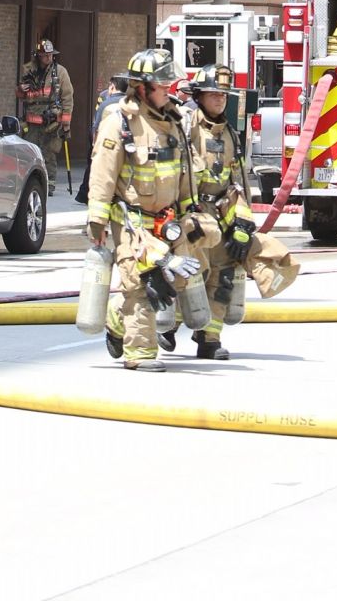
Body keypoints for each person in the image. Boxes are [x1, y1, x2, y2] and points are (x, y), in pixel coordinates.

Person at [86, 47, 203, 372]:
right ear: (141, 87)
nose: (168, 89)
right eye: (162, 85)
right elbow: (103, 173)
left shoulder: (173, 121)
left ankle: (116, 318)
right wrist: (97, 220)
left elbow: (184, 174)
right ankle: (140, 353)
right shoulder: (119, 123)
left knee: (178, 279)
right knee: (139, 284)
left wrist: (190, 215)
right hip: (131, 220)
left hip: (168, 220)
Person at [184, 63, 299, 359]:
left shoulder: (229, 135)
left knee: (224, 276)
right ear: (198, 96)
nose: (220, 99)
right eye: (213, 93)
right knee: (186, 275)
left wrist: (243, 224)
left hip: (221, 213)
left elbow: (238, 182)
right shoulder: (185, 129)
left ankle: (209, 339)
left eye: (223, 94)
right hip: (191, 216)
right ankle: (167, 326)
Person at [18, 37, 74, 175]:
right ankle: (33, 181)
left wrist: (66, 123)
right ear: (38, 56)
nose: (49, 57)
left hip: (51, 123)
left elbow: (67, 98)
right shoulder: (28, 70)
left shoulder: (60, 72)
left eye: (51, 54)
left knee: (49, 155)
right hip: (31, 124)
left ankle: (50, 183)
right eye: (45, 55)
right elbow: (21, 97)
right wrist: (20, 90)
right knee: (30, 154)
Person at [76, 72, 128, 205]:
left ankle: (90, 196)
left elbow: (96, 126)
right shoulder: (132, 103)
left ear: (112, 87)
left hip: (106, 143)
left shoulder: (106, 103)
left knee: (97, 171)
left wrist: (95, 146)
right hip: (126, 144)